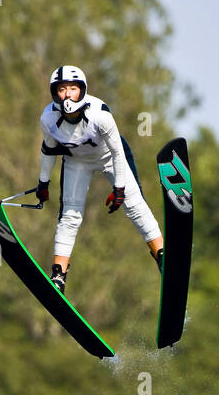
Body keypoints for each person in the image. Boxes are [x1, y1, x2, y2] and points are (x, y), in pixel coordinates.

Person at [36, 64, 163, 294]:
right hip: (76, 161)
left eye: (73, 88)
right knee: (70, 216)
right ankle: (58, 274)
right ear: (55, 92)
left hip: (109, 157)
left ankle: (162, 256)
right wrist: (43, 183)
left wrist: (120, 189)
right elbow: (48, 150)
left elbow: (117, 153)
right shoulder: (48, 118)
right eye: (62, 89)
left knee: (134, 205)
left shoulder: (100, 114)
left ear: (82, 90)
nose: (67, 95)